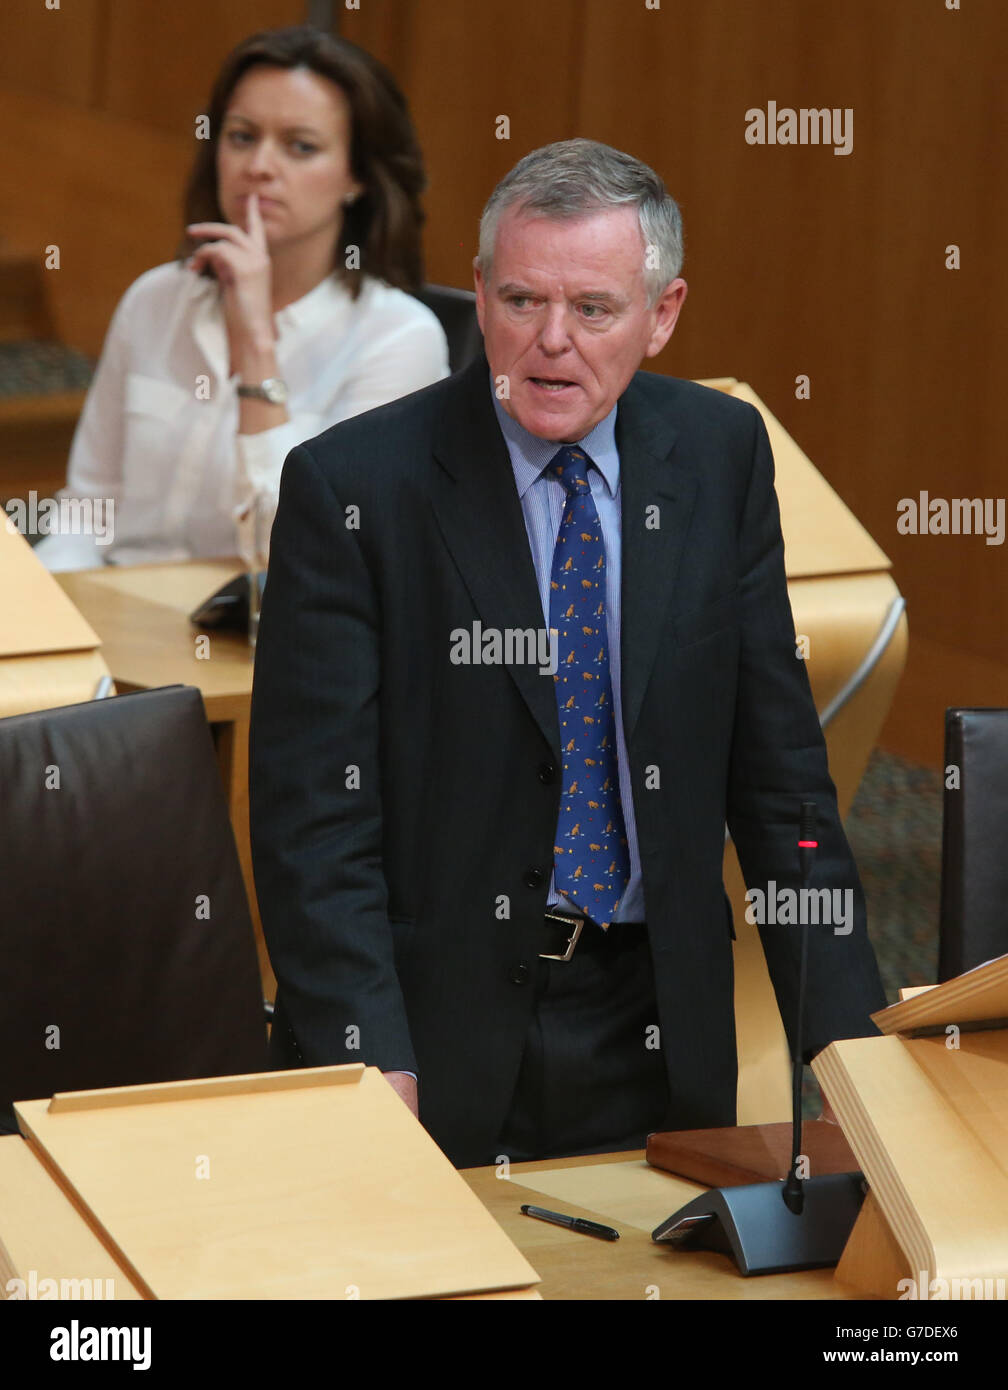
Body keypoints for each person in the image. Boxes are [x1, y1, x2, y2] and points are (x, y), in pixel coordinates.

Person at [249, 139, 887, 1170]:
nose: (551, 343)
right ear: (480, 294)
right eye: (519, 302)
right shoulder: (354, 488)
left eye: (592, 308)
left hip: (659, 1018)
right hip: (434, 1030)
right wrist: (369, 1052)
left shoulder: (720, 454)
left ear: (662, 312)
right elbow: (314, 820)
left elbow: (783, 788)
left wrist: (860, 1055)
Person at [36, 26, 448, 572]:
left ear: (357, 176)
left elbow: (318, 558)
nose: (259, 166)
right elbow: (87, 513)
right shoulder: (156, 298)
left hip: (258, 640)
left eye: (300, 146)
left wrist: (256, 341)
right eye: (242, 136)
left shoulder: (398, 339)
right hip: (117, 620)